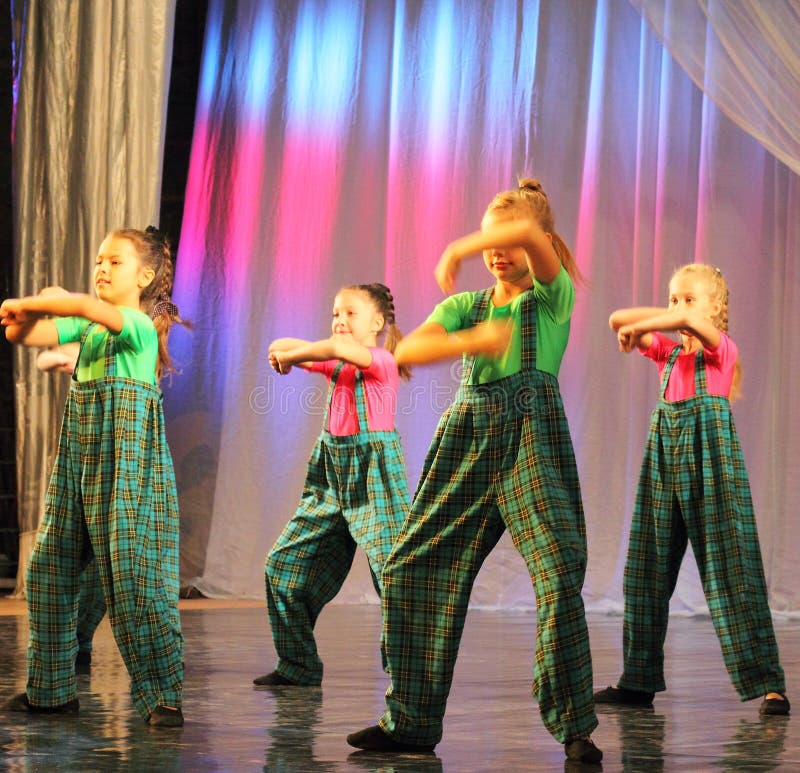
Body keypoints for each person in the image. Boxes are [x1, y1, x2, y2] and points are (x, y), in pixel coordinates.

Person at [346, 179, 602, 765]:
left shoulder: (550, 296)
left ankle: (574, 724)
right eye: (485, 240)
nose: (495, 248)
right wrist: (475, 337)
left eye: (503, 238)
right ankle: (409, 719)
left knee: (560, 570)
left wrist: (455, 249)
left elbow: (528, 233)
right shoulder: (469, 306)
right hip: (467, 436)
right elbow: (406, 353)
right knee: (412, 567)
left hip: (529, 440)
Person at [1, 226, 187, 727]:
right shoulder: (88, 331)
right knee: (48, 568)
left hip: (125, 460)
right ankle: (52, 690)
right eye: (98, 260)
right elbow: (23, 335)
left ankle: (162, 694)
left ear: (145, 276)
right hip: (79, 458)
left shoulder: (139, 327)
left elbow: (85, 307)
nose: (102, 268)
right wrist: (25, 315)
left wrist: (41, 299)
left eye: (115, 262)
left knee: (132, 576)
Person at [595, 263, 789, 716]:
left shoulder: (721, 350)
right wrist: (642, 324)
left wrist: (650, 323)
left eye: (689, 298)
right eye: (673, 298)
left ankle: (769, 684)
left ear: (716, 308)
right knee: (647, 566)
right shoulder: (668, 355)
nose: (678, 307)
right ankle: (637, 680)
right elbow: (616, 319)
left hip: (710, 456)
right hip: (665, 452)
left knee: (731, 566)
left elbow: (684, 325)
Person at [254, 282, 411, 687]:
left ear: (377, 322)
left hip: (373, 474)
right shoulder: (336, 361)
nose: (339, 321)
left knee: (395, 575)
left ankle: (407, 680)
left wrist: (293, 357)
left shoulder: (380, 360)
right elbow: (284, 342)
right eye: (335, 313)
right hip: (332, 474)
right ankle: (298, 665)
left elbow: (337, 350)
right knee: (281, 566)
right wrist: (285, 352)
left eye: (350, 314)